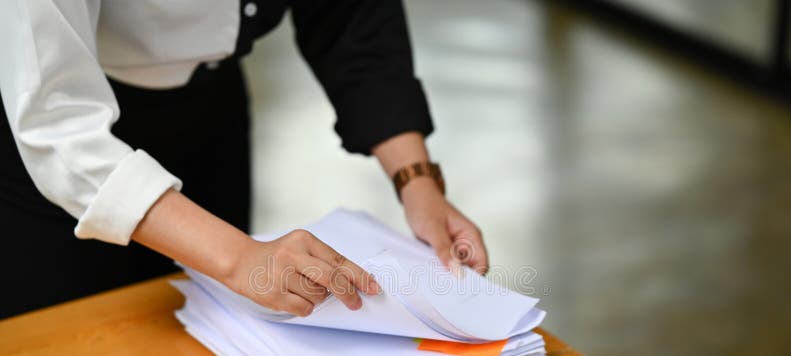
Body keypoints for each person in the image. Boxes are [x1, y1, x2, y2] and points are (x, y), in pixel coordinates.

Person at [0, 1, 488, 320]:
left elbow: (352, 17)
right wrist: (238, 259)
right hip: (63, 150)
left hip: (213, 112)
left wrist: (417, 180)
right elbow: (56, 122)